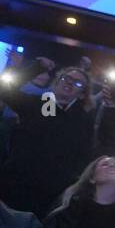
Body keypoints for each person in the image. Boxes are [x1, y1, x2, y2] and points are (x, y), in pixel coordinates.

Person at [0, 60, 95, 216]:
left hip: (49, 193)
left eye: (78, 84)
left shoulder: (84, 120)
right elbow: (4, 88)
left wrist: (66, 185)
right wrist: (36, 68)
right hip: (14, 181)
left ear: (82, 94)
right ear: (56, 82)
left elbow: (83, 156)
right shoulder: (39, 103)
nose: (70, 83)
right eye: (66, 78)